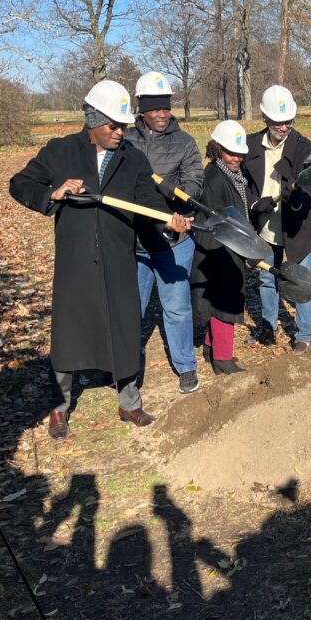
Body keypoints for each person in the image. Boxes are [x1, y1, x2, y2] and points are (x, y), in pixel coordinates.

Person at [9, 80, 191, 440]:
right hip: (75, 262)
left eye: (123, 125)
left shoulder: (132, 159)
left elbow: (148, 203)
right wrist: (53, 194)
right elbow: (20, 183)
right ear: (92, 120)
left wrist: (168, 223)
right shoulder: (60, 151)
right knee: (68, 333)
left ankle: (129, 402)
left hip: (118, 259)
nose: (120, 132)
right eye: (113, 125)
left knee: (124, 329)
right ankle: (59, 408)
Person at [124, 72, 204, 394]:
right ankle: (128, 368)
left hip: (174, 241)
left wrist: (177, 194)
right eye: (155, 108)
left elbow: (195, 182)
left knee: (177, 307)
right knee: (132, 308)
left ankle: (186, 365)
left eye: (166, 107)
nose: (162, 114)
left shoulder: (184, 142)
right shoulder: (125, 140)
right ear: (141, 109)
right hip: (135, 241)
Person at [245, 85, 311, 353]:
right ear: (265, 118)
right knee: (267, 278)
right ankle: (268, 326)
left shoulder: (304, 147)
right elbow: (243, 183)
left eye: (289, 121)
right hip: (265, 226)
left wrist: (294, 195)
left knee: (301, 280)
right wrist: (255, 204)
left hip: (296, 227)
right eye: (278, 122)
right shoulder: (251, 145)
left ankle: (303, 334)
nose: (284, 127)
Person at [191, 120, 252, 375]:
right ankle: (223, 358)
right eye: (231, 152)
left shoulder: (232, 174)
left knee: (217, 297)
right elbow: (220, 217)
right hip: (218, 246)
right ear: (217, 149)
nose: (236, 158)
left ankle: (210, 347)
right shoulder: (214, 177)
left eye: (240, 153)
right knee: (225, 300)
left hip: (228, 243)